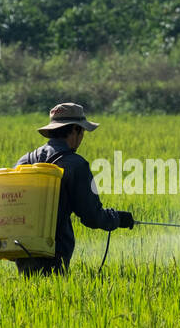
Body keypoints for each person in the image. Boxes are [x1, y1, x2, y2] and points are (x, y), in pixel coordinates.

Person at [13, 103, 133, 275]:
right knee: (51, 294)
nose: (82, 136)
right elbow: (91, 216)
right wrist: (118, 219)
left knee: (31, 294)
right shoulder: (75, 165)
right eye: (82, 131)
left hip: (22, 247)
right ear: (75, 130)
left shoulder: (25, 160)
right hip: (54, 249)